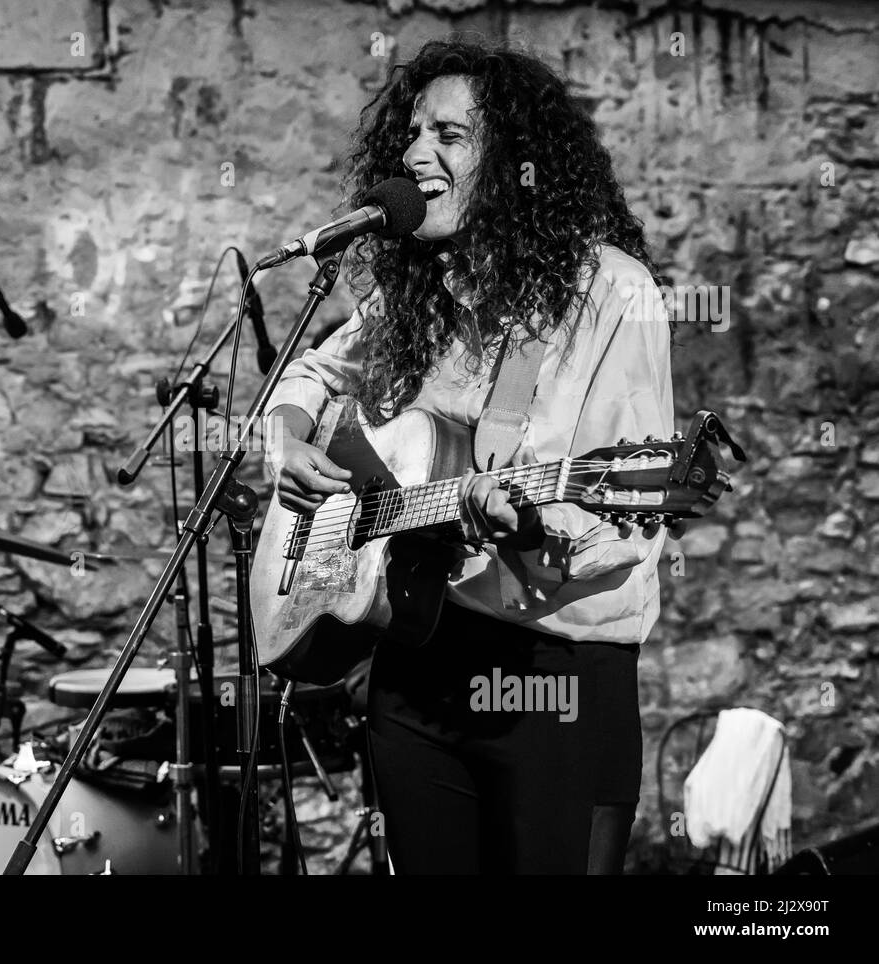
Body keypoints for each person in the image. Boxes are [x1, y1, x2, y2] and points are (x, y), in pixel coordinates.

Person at [264, 38, 676, 874]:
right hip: (420, 661)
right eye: (413, 134)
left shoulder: (613, 293)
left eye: (449, 137)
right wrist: (287, 434)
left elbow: (632, 521)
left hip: (550, 675)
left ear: (518, 160)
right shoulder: (422, 292)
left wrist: (534, 524)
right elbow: (311, 369)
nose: (417, 155)